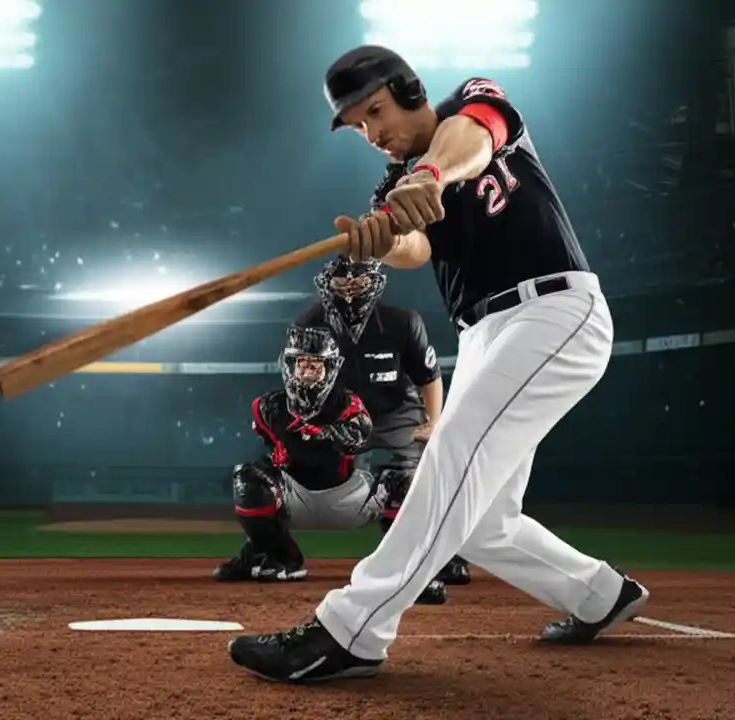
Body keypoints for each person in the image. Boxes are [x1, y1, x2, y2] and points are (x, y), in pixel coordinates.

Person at [228, 45, 649, 683]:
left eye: (375, 111)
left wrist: (429, 176)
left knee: (448, 457)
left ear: (409, 88)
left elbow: (472, 138)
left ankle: (353, 631)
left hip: (554, 310)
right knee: (477, 519)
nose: (373, 133)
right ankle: (598, 594)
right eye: (358, 126)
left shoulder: (469, 109)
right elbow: (417, 243)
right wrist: (382, 237)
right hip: (484, 334)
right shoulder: (393, 185)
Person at [213, 324, 448, 605]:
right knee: (247, 477)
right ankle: (278, 556)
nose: (308, 371)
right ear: (290, 365)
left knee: (405, 483)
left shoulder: (349, 405)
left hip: (347, 498)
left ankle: (406, 571)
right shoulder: (267, 407)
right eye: (302, 364)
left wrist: (322, 434)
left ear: (331, 368)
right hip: (293, 496)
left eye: (316, 365)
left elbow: (352, 441)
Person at [297, 253, 471, 586]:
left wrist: (434, 422)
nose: (348, 290)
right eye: (341, 281)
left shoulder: (402, 321)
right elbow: (298, 378)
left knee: (418, 472)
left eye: (357, 280)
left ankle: (438, 554)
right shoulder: (309, 323)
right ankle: (270, 550)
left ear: (373, 283)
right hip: (338, 414)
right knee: (289, 464)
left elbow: (428, 376)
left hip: (395, 411)